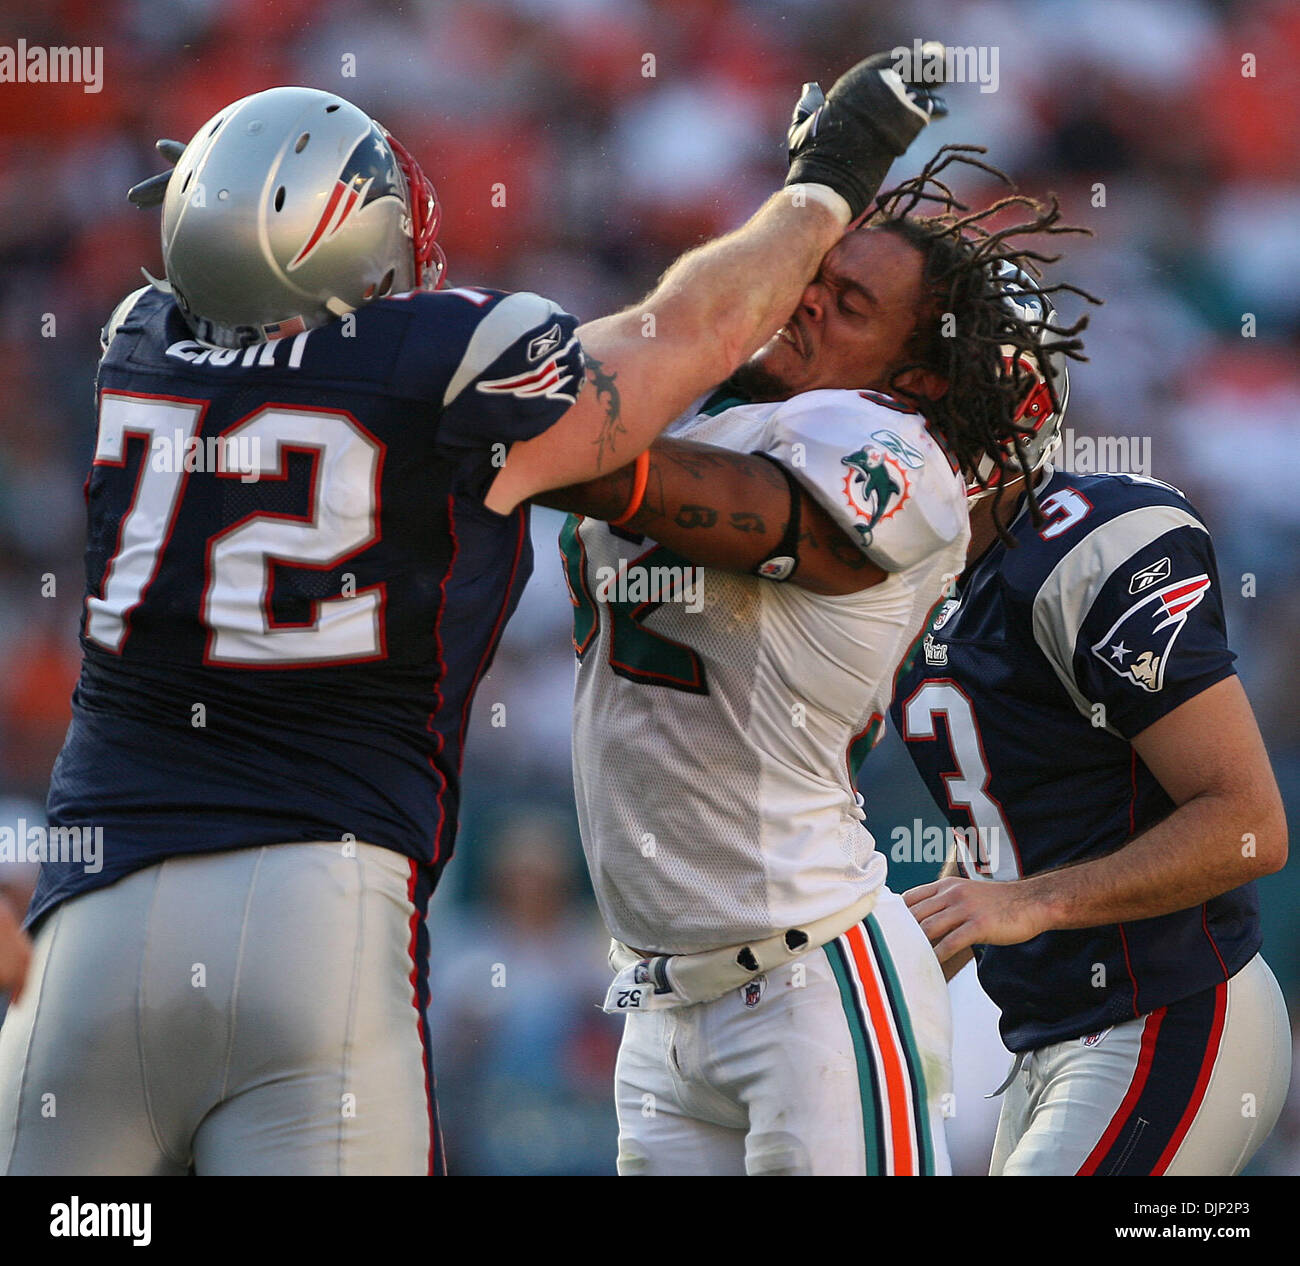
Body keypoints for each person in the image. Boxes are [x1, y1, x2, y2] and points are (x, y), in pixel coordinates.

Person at [0, 59, 945, 1175]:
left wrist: (228, 199)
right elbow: (688, 329)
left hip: (88, 925)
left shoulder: (135, 344)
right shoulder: (446, 358)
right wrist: (826, 181)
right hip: (317, 907)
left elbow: (235, 299)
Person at [536, 148, 1071, 1175]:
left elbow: (680, 492)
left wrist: (524, 420)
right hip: (659, 1004)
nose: (806, 301)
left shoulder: (893, 453)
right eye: (810, 275)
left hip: (809, 982)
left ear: (913, 377)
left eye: (850, 303)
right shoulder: (698, 400)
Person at [893, 182, 1291, 1175]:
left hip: (1167, 1014)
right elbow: (1027, 812)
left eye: (901, 398)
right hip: (1045, 1039)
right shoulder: (932, 572)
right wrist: (939, 914)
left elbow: (1247, 824)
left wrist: (1030, 901)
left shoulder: (1088, 544)